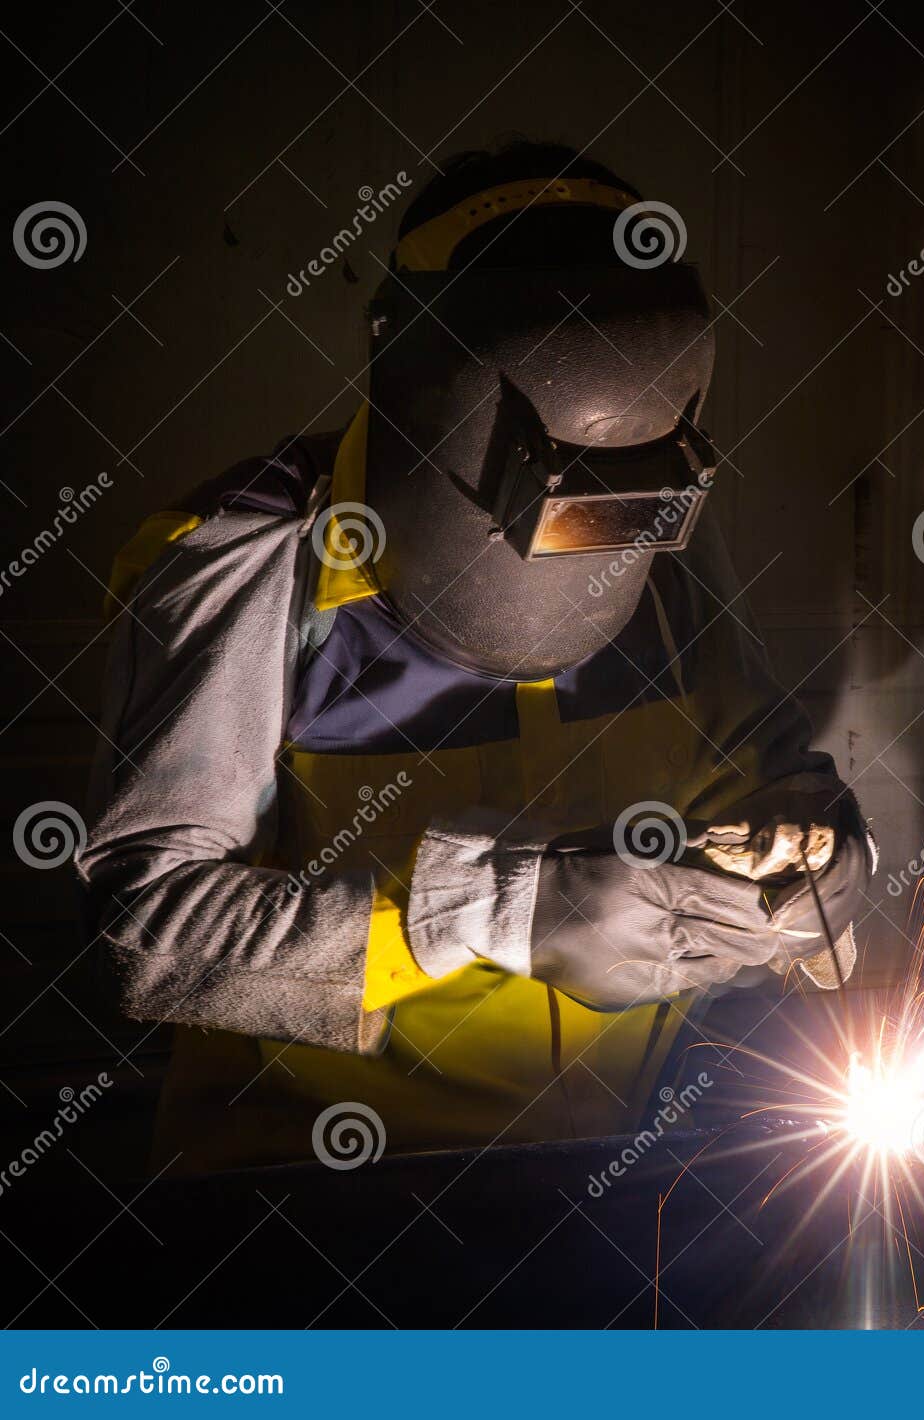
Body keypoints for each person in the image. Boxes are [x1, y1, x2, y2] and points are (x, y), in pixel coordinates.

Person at [77, 142, 874, 1171]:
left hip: (621, 1186)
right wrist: (485, 910)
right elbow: (144, 933)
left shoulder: (661, 531)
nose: (600, 529)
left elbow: (756, 758)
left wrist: (816, 840)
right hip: (326, 1205)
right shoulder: (251, 556)